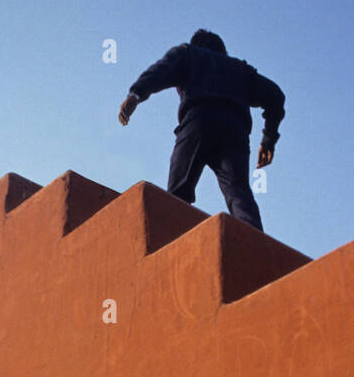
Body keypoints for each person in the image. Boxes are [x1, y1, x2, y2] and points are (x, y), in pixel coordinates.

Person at [118, 29, 285, 232]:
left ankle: (172, 240)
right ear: (223, 51)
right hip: (235, 131)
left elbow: (162, 70)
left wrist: (136, 94)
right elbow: (276, 96)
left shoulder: (189, 53)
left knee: (178, 191)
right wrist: (268, 140)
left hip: (198, 121)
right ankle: (256, 245)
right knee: (239, 194)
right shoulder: (240, 70)